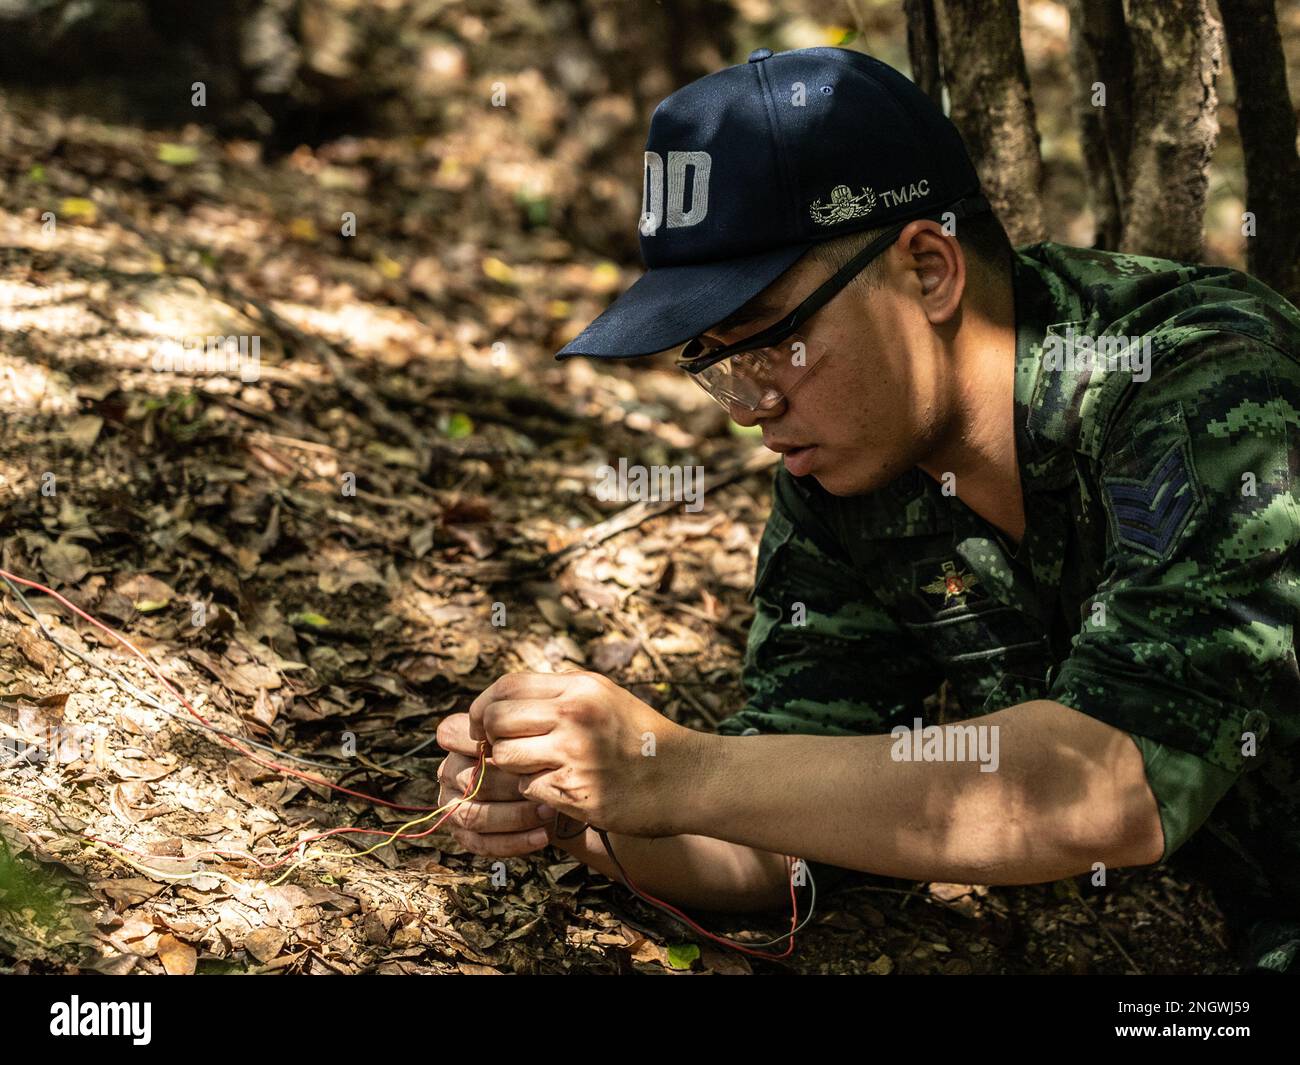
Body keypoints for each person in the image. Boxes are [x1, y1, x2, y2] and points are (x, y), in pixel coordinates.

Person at [435, 47, 1300, 973]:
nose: (752, 404)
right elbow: (786, 823)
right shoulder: (852, 465)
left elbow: (1111, 782)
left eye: (773, 340)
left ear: (928, 270)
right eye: (715, 359)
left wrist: (676, 770)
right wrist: (584, 807)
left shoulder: (1202, 387)